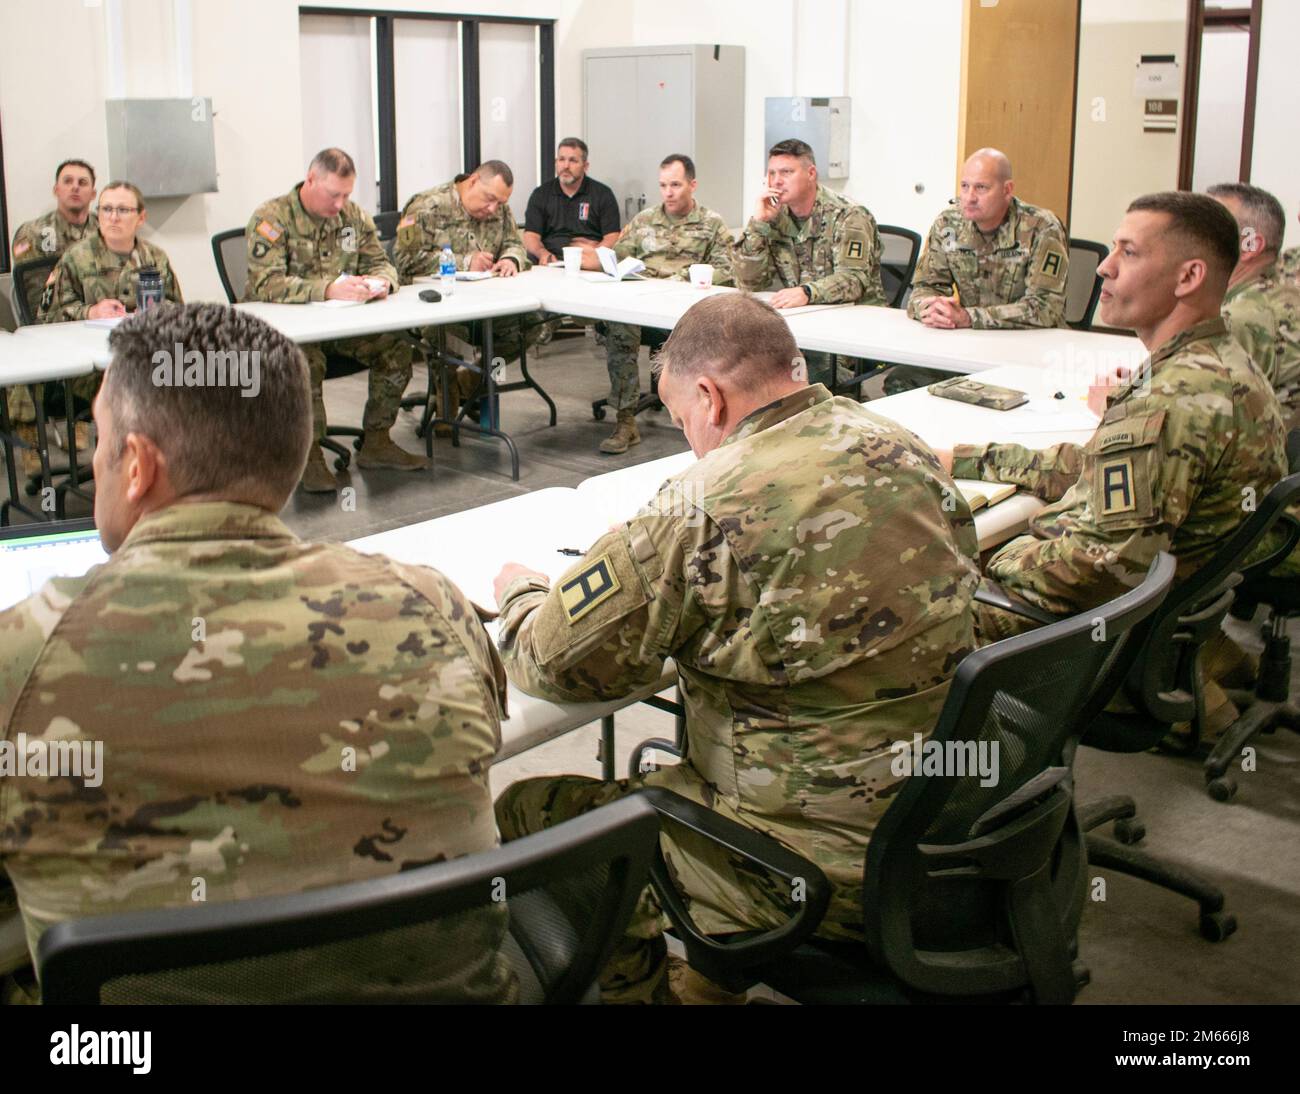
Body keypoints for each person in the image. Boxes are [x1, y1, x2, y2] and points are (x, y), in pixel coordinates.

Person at [0, 302, 513, 1004]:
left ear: (138, 467)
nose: (94, 459)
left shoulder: (22, 655)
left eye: (101, 439)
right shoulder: (433, 604)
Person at [491, 293, 980, 1003]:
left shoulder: (700, 503)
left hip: (810, 864)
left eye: (682, 416)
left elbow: (551, 662)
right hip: (948, 818)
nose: (688, 437)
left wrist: (523, 593)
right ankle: (718, 978)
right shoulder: (899, 441)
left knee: (530, 814)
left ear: (709, 397)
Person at [936, 191, 1287, 647]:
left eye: (1129, 252)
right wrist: (967, 459)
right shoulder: (1215, 361)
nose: (1105, 266)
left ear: (1189, 277)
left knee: (886, 609)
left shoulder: (1172, 399)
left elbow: (1098, 567)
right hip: (1160, 616)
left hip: (1081, 634)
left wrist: (993, 559)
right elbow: (1096, 467)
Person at [245, 148, 426, 493]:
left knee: (398, 346)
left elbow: (380, 261)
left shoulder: (352, 217)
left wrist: (381, 282)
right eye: (333, 194)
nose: (340, 204)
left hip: (340, 325)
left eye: (346, 194)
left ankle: (377, 441)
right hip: (290, 332)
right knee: (303, 361)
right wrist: (327, 288)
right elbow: (264, 283)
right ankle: (307, 456)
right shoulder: (272, 218)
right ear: (311, 179)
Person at [888, 149, 1070, 394]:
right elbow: (924, 287)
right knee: (902, 381)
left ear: (1007, 190)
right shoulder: (948, 223)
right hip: (966, 345)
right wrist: (931, 309)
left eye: (981, 188)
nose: (969, 197)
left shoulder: (1041, 227)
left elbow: (1045, 308)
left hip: (1028, 350)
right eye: (964, 187)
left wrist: (968, 317)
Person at [596, 153, 736, 455]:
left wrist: (683, 276)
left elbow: (729, 268)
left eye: (675, 184)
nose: (668, 192)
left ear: (692, 185)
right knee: (620, 328)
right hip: (644, 310)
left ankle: (705, 422)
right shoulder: (644, 220)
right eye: (663, 185)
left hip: (688, 316)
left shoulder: (711, 224)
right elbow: (618, 258)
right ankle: (625, 421)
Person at [394, 160, 543, 416]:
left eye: (500, 203)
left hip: (488, 304)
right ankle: (448, 402)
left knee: (533, 325)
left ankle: (473, 380)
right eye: (489, 199)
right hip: (441, 309)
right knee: (446, 335)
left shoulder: (500, 210)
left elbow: (513, 243)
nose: (493, 208)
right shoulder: (427, 206)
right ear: (473, 181)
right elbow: (404, 262)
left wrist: (510, 258)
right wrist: (464, 262)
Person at [734, 138, 884, 388]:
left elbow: (853, 280)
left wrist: (807, 292)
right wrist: (759, 223)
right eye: (771, 173)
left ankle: (836, 409)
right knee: (740, 355)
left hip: (852, 324)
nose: (777, 181)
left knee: (803, 366)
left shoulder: (848, 215)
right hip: (800, 322)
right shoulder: (774, 215)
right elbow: (748, 281)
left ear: (811, 173)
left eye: (786, 172)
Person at [6, 159, 99, 473]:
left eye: (82, 182)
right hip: (48, 325)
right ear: (56, 189)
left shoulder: (105, 231)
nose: (75, 187)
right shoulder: (33, 233)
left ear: (93, 192)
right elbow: (34, 296)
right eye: (68, 181)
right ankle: (33, 440)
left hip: (94, 323)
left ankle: (84, 420)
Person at [1209, 183, 1300, 423]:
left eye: (1205, 228)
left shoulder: (1240, 318)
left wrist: (1113, 398)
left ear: (1250, 245)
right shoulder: (1278, 285)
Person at [522, 138, 620, 265]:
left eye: (573, 160)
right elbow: (531, 235)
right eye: (561, 159)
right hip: (551, 263)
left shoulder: (603, 194)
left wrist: (595, 253)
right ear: (556, 162)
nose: (566, 166)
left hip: (588, 264)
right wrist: (542, 253)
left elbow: (612, 236)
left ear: (585, 166)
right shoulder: (540, 194)